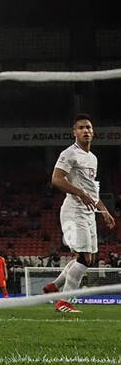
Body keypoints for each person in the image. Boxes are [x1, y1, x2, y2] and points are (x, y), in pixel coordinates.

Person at [43, 114, 115, 314]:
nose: (86, 131)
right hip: (74, 210)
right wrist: (80, 193)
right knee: (83, 258)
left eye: (89, 128)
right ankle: (63, 302)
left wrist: (104, 210)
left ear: (93, 132)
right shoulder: (69, 153)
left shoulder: (92, 158)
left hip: (89, 212)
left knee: (89, 259)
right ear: (74, 132)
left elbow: (92, 191)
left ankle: (53, 287)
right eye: (81, 128)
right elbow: (56, 179)